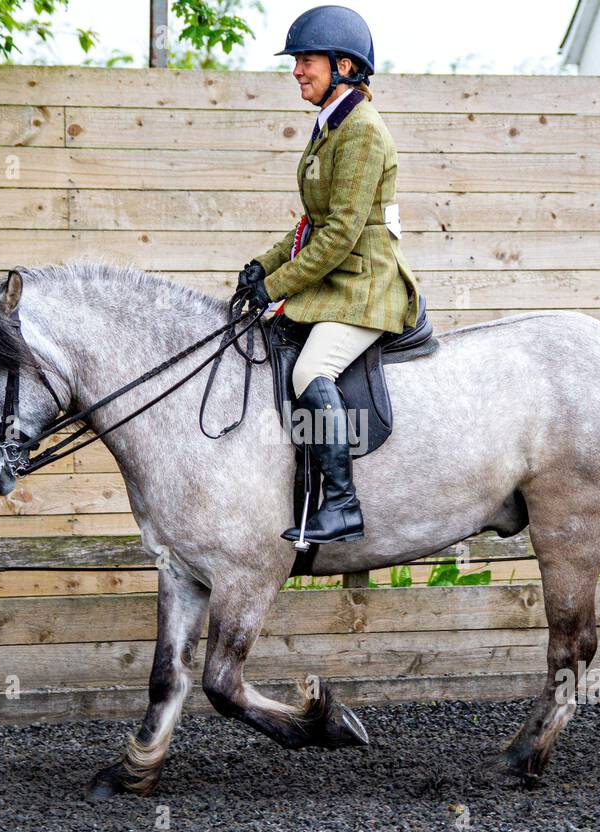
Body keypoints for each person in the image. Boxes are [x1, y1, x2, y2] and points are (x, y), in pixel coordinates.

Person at [237, 4, 421, 545]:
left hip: (367, 286)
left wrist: (275, 287)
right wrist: (261, 267)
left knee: (306, 372)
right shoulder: (328, 129)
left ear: (344, 65)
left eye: (306, 60)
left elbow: (340, 236)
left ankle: (341, 505)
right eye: (296, 61)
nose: (297, 70)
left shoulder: (361, 131)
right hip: (336, 279)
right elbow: (313, 222)